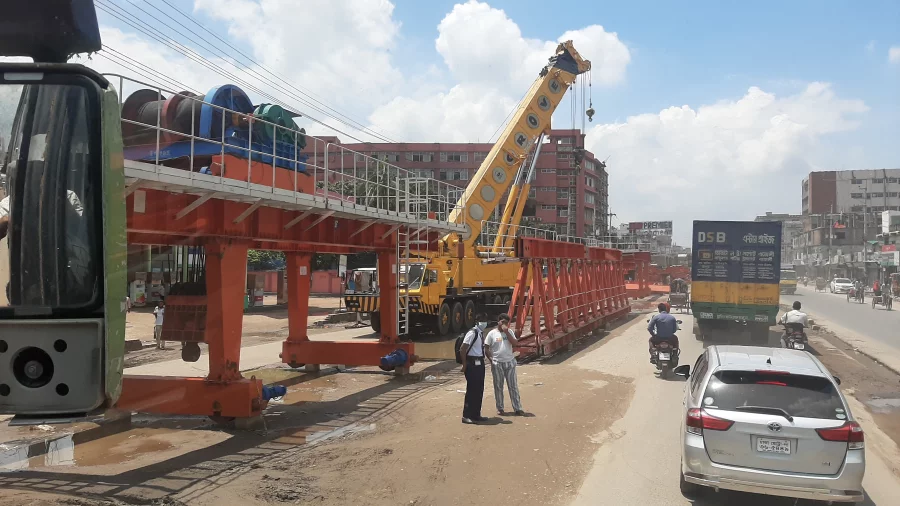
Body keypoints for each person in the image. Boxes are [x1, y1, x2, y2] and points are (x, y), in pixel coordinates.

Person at [485, 313, 524, 416]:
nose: (504, 324)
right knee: (498, 386)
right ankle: (500, 408)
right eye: (503, 322)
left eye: (506, 323)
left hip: (510, 362)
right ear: (498, 322)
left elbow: (515, 343)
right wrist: (491, 359)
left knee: (513, 386)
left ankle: (517, 408)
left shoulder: (509, 331)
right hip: (497, 363)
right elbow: (486, 348)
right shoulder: (492, 334)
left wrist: (506, 332)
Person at [459, 313, 489, 424]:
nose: (484, 323)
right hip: (472, 363)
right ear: (477, 321)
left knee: (479, 390)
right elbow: (463, 349)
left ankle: (476, 414)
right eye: (482, 320)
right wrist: (464, 364)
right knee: (472, 390)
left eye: (485, 320)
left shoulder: (481, 333)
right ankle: (466, 416)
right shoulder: (472, 333)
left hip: (480, 363)